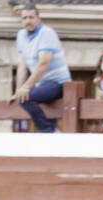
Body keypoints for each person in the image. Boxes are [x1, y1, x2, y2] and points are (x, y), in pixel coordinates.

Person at [13, 4, 72, 133]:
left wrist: (26, 87)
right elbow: (22, 65)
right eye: (25, 18)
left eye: (31, 17)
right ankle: (51, 133)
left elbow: (43, 63)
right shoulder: (21, 35)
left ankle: (50, 132)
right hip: (42, 84)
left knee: (27, 98)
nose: (28, 21)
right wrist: (18, 89)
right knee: (23, 97)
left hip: (58, 82)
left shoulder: (47, 33)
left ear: (38, 18)